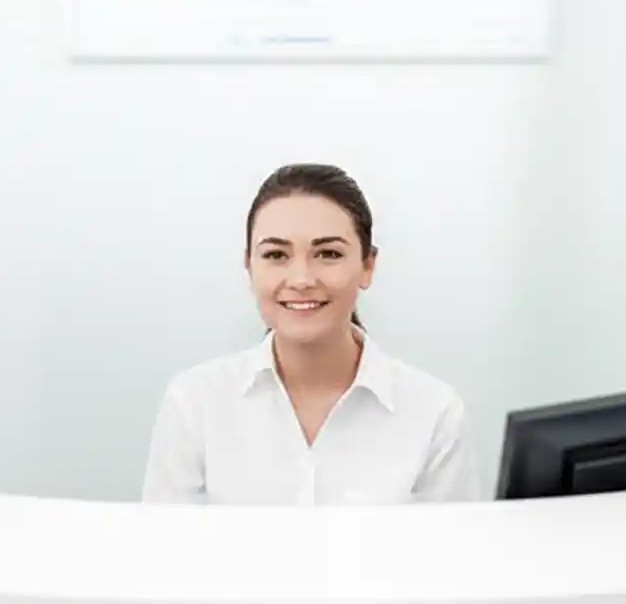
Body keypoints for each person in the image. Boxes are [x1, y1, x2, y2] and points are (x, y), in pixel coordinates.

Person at [142, 163, 479, 505]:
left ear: (367, 266)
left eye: (328, 254)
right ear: (249, 266)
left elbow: (446, 554)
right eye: (276, 255)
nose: (301, 279)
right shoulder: (194, 404)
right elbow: (166, 551)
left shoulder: (435, 413)